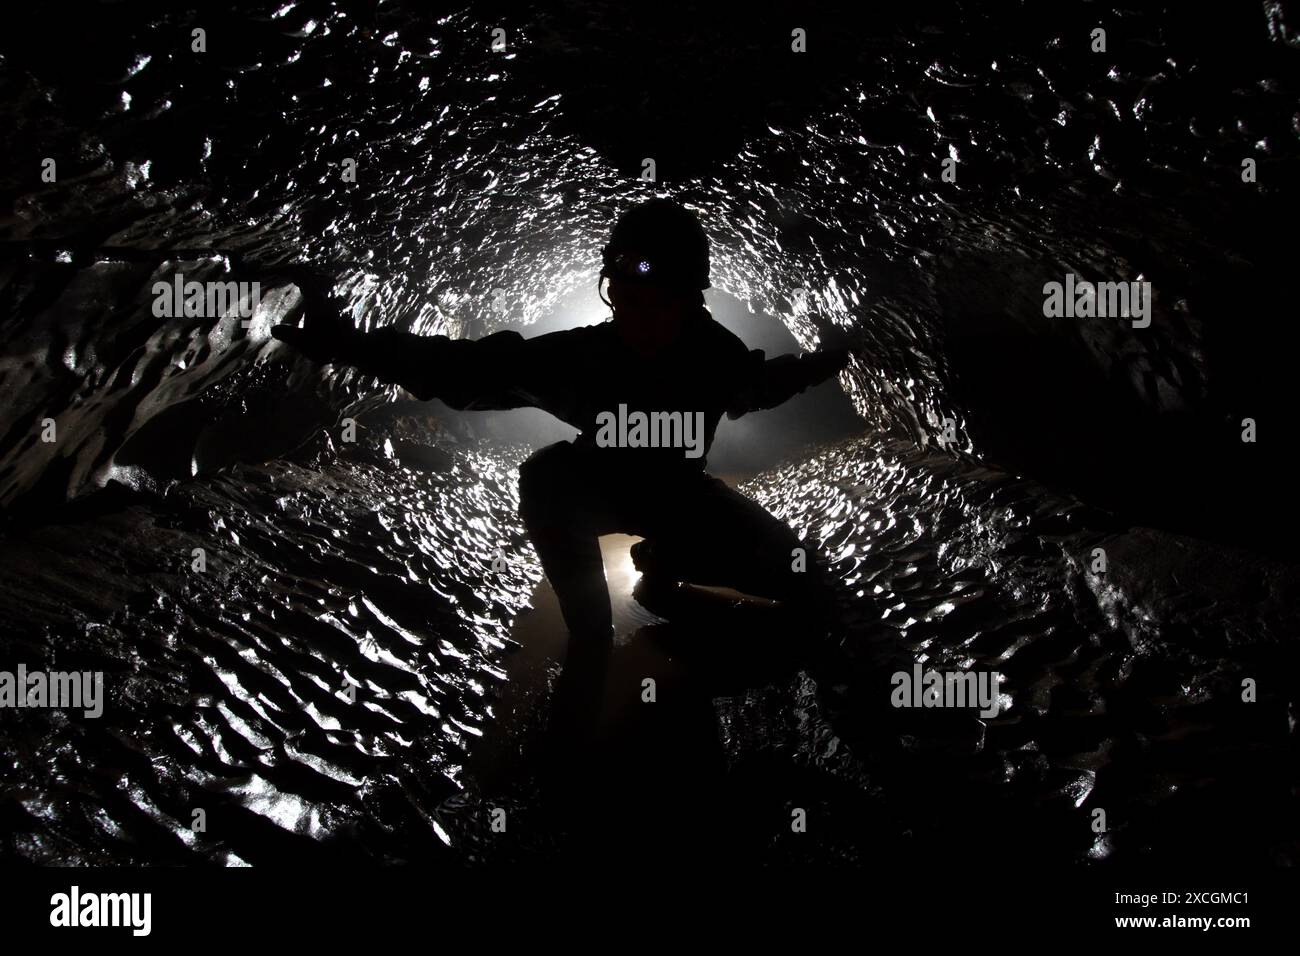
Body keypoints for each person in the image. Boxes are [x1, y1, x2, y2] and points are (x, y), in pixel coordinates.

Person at [272, 199, 849, 738]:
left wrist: (830, 360)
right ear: (611, 293)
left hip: (679, 498)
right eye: (628, 300)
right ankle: (591, 628)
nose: (642, 320)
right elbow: (465, 369)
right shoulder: (582, 358)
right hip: (594, 488)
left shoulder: (718, 359)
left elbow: (770, 383)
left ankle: (661, 562)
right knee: (547, 477)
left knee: (803, 580)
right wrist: (350, 346)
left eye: (660, 304)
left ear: (691, 300)